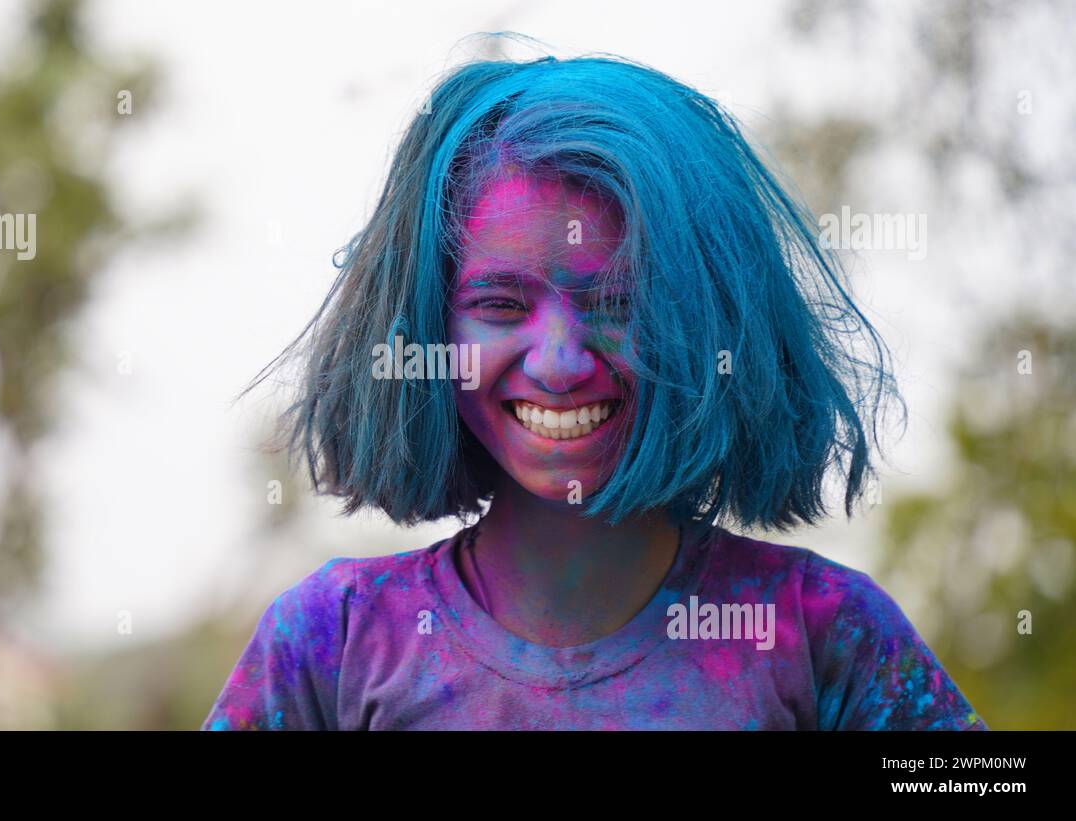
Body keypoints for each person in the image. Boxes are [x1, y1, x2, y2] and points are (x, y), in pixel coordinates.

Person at [203, 49, 985, 730]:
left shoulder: (821, 634)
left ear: (714, 323)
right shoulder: (332, 644)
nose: (558, 360)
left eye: (619, 304)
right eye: (501, 305)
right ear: (424, 330)